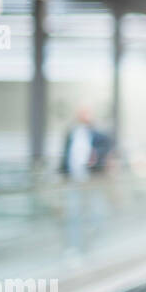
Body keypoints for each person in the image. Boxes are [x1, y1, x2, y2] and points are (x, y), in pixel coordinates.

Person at [60, 105, 112, 259]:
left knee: (97, 214)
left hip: (93, 181)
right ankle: (75, 247)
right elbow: (65, 156)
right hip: (74, 181)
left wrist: (96, 159)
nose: (85, 116)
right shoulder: (71, 133)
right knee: (73, 215)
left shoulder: (99, 134)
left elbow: (107, 151)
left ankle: (95, 246)